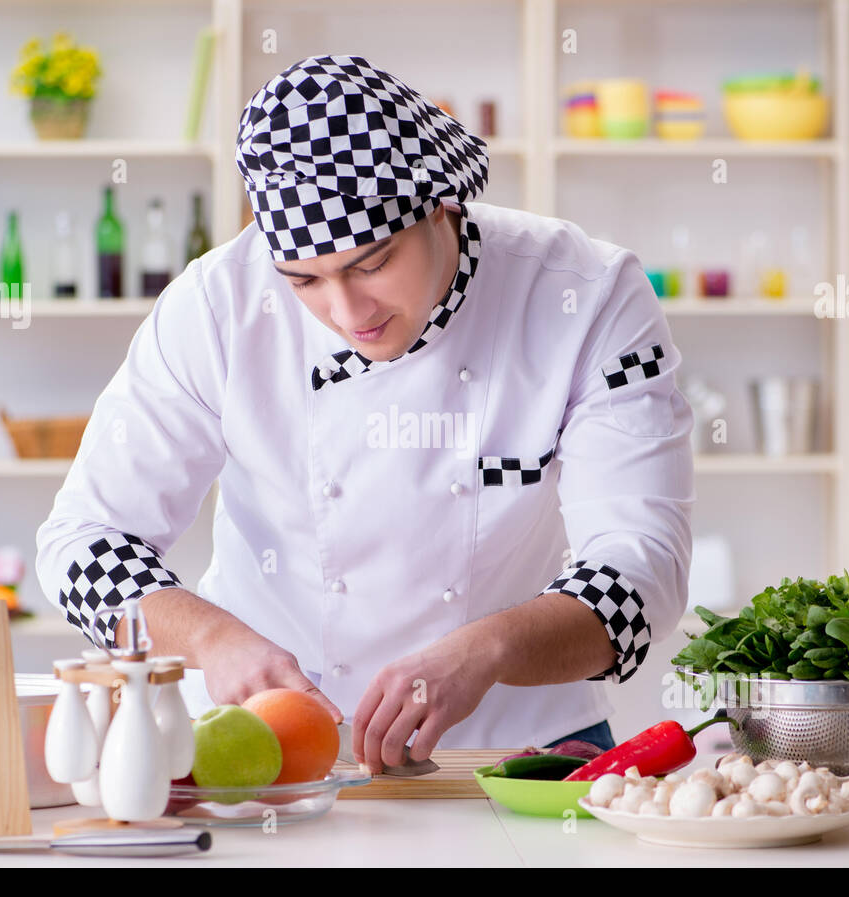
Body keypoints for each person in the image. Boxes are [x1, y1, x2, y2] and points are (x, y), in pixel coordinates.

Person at [35, 53, 694, 772]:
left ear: (442, 202)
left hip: (525, 753)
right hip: (261, 750)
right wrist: (212, 639)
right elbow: (81, 541)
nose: (348, 312)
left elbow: (643, 569)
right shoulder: (216, 305)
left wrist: (488, 647)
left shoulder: (586, 294)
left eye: (372, 263)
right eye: (305, 281)